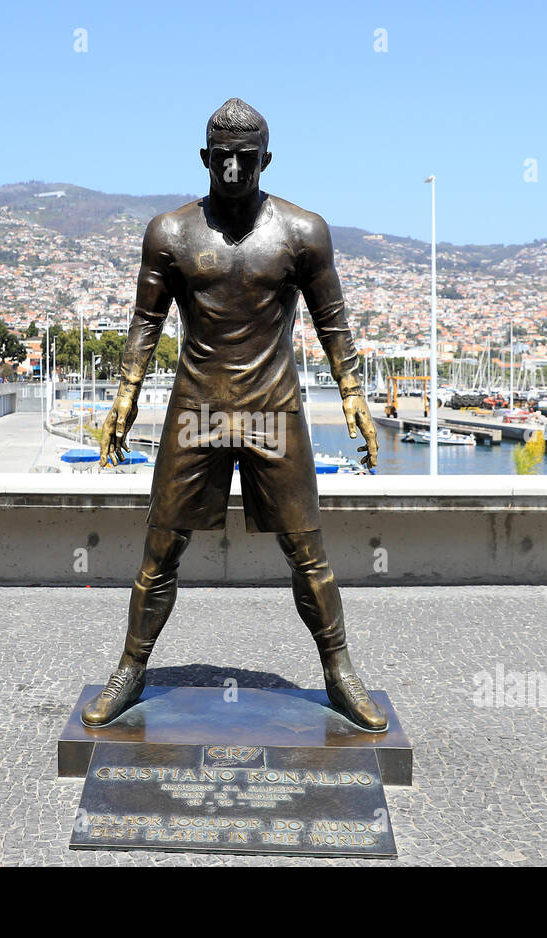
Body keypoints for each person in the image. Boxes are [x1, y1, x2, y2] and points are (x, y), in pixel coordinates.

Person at [85, 98, 385, 731]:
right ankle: (131, 669)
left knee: (308, 552)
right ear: (204, 158)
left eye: (244, 159)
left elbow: (333, 320)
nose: (230, 170)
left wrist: (353, 392)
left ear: (265, 160)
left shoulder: (303, 233)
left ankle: (339, 671)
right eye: (220, 158)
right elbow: (146, 320)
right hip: (197, 408)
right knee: (160, 548)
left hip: (272, 409)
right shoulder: (169, 233)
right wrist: (124, 394)